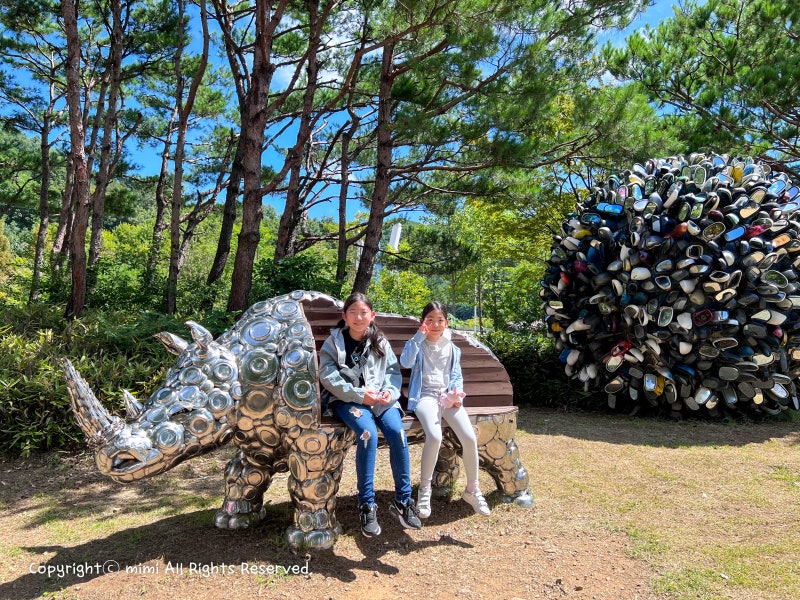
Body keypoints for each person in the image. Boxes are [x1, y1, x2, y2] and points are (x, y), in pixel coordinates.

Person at [319, 292, 422, 537]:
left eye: (363, 312)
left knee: (397, 432)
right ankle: (366, 504)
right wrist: (358, 395)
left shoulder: (380, 341)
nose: (358, 317)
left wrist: (389, 392)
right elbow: (327, 375)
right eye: (353, 312)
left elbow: (392, 372)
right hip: (348, 401)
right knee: (367, 434)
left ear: (372, 315)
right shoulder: (333, 343)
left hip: (381, 401)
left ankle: (404, 501)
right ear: (344, 316)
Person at [400, 301, 491, 518]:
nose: (435, 324)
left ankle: (472, 490)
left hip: (446, 398)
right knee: (434, 436)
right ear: (423, 322)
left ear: (446, 322)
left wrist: (456, 393)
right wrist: (418, 337)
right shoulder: (417, 344)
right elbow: (405, 361)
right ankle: (424, 490)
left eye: (440, 320)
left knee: (469, 438)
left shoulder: (452, 347)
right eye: (430, 320)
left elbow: (456, 376)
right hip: (425, 397)